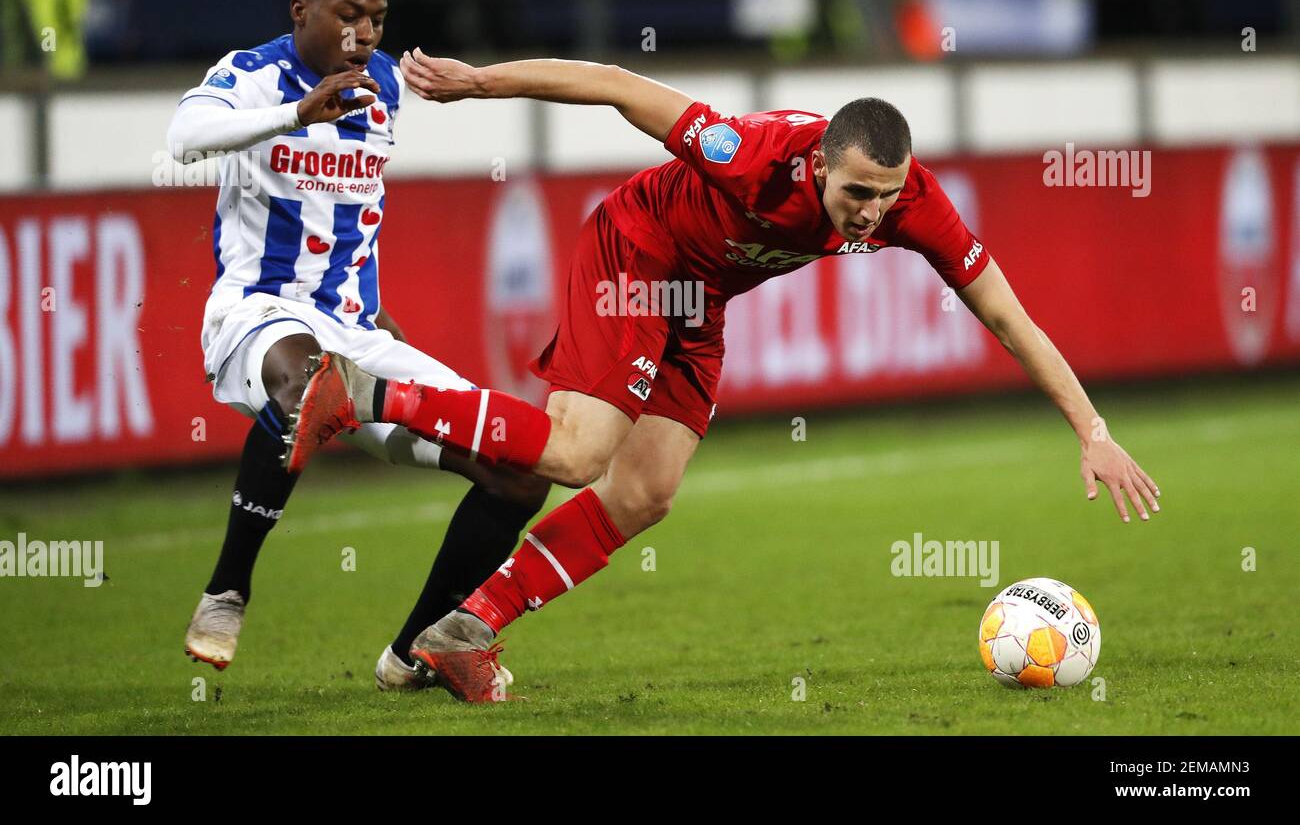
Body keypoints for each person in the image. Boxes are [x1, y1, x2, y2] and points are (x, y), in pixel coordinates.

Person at [286, 52, 1162, 702]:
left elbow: (1009, 317)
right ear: (822, 163)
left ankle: (464, 631)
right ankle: (360, 394)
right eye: (856, 192)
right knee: (577, 454)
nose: (870, 215)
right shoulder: (753, 151)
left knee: (647, 493)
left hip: (699, 299)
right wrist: (481, 86)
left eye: (885, 198)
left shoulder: (913, 204)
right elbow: (621, 87)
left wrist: (1093, 430)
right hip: (636, 252)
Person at [167, 0, 548, 691]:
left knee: (519, 474)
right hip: (259, 315)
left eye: (377, 17)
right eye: (349, 14)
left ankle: (415, 653)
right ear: (301, 10)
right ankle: (227, 590)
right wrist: (292, 114)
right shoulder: (249, 76)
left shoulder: (383, 88)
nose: (365, 31)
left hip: (357, 331)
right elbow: (181, 141)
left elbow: (353, 216)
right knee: (309, 382)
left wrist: (374, 316)